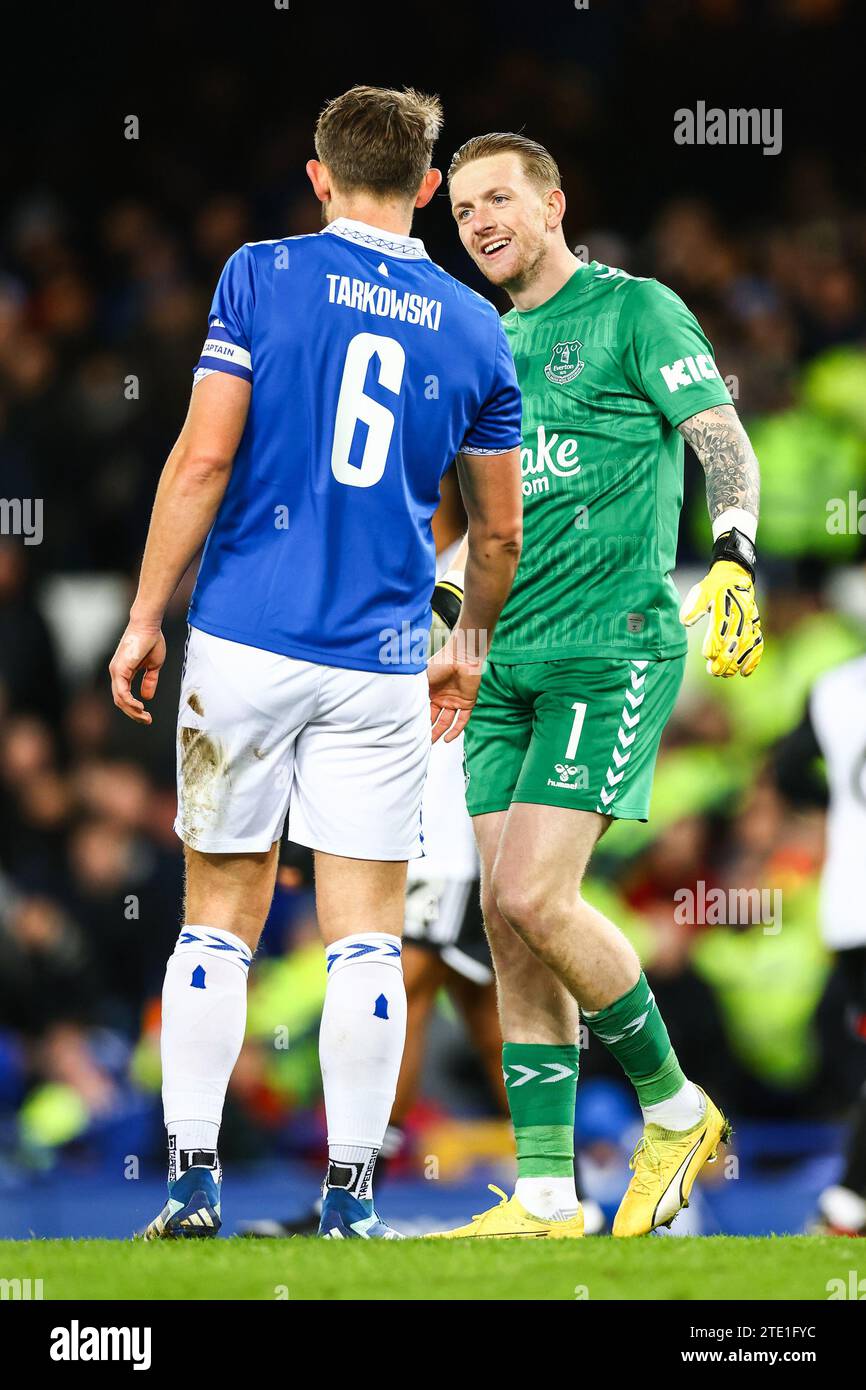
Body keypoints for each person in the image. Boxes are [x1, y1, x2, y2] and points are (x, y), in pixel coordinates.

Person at [108, 87, 523, 1240]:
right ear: (429, 187)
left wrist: (143, 615)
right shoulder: (474, 325)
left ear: (318, 176)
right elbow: (498, 534)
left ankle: (191, 1187)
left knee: (215, 916)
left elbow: (202, 460)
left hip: (243, 636)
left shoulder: (260, 275)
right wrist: (465, 650)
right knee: (368, 934)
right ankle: (350, 1202)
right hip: (383, 659)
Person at [434, 132, 764, 1239]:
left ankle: (675, 1110)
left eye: (498, 199)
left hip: (607, 649)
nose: (479, 221)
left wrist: (733, 551)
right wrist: (447, 625)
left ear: (552, 205)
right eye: (462, 209)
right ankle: (543, 1194)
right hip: (499, 661)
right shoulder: (481, 343)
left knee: (537, 896)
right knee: (503, 918)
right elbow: (481, 518)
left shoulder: (635, 311)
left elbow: (720, 438)